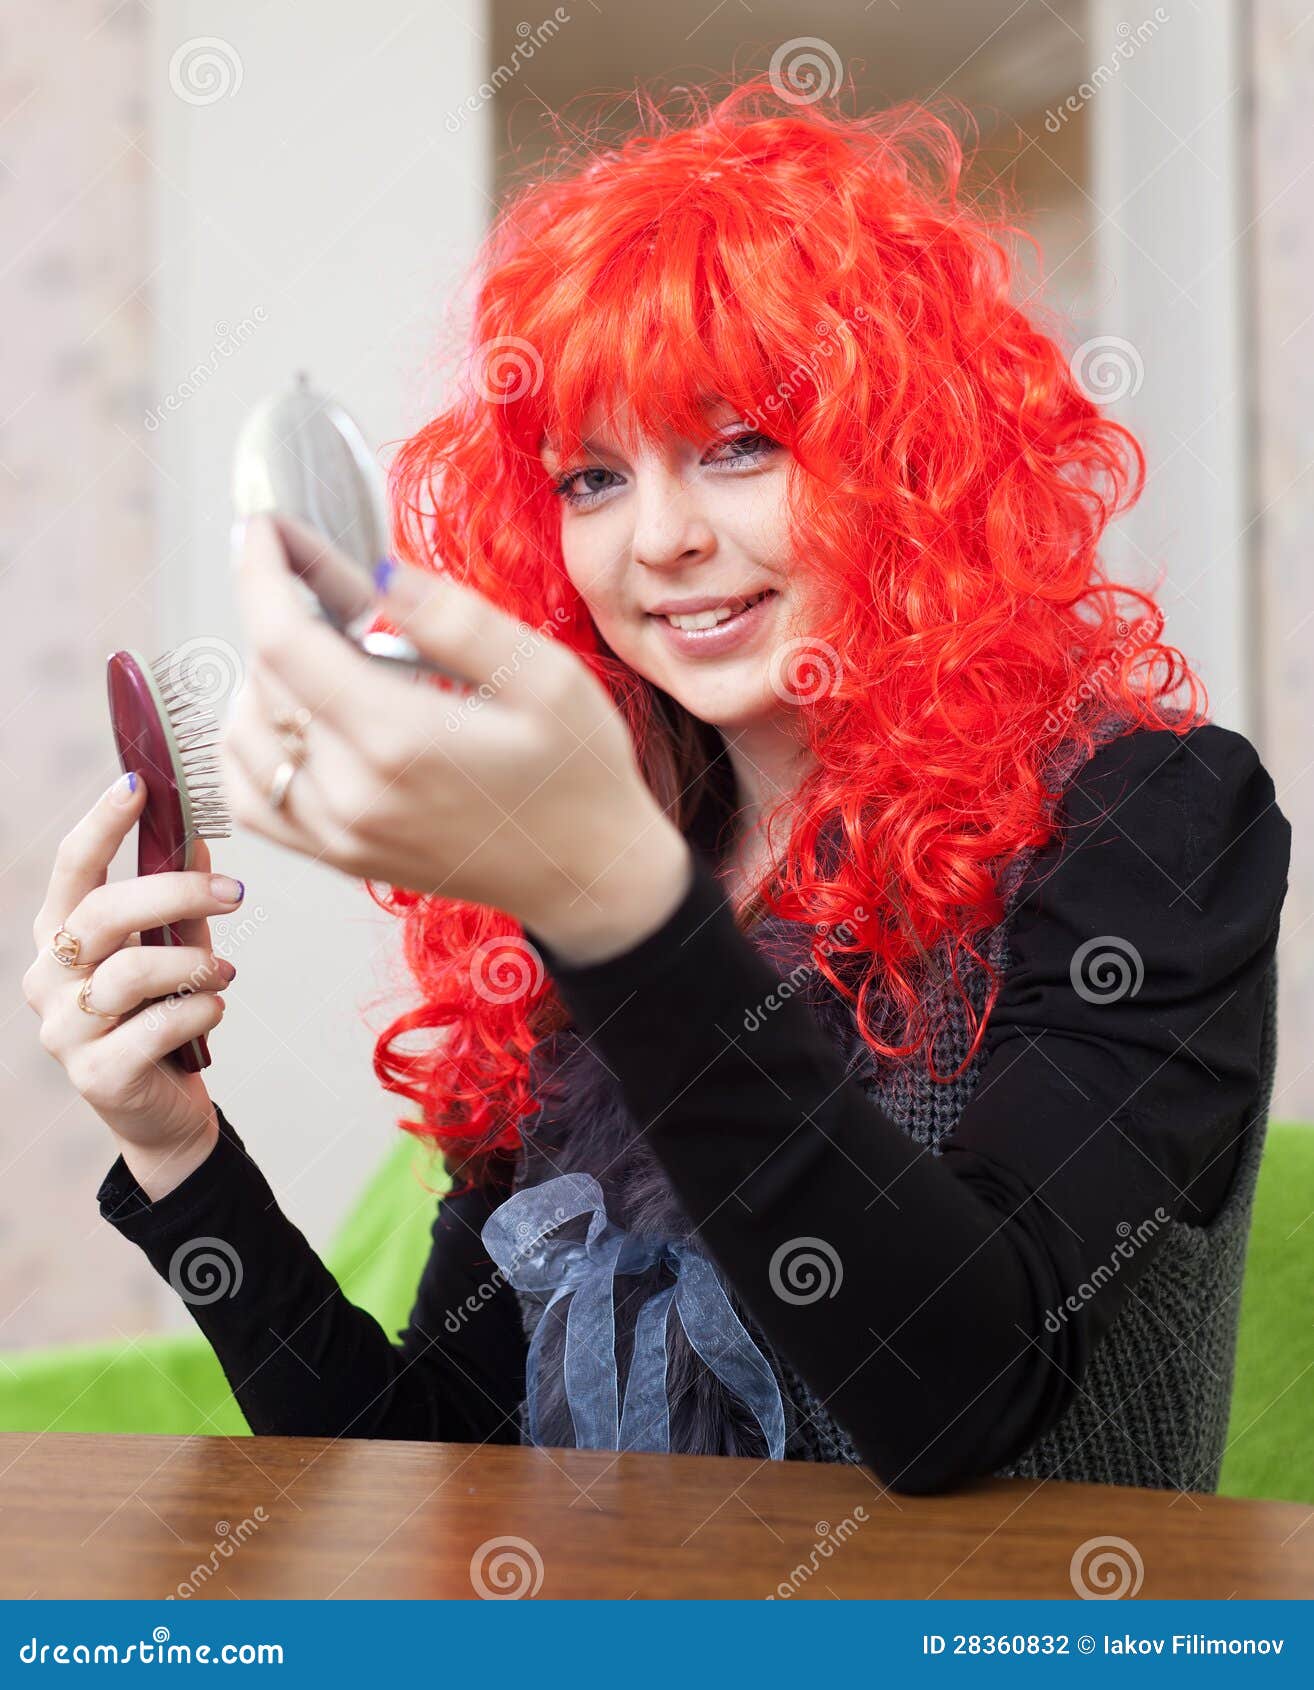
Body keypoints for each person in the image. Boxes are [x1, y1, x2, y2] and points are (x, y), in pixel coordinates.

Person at [25, 79, 1290, 1494]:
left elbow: (963, 1398)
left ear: (908, 458)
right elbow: (436, 1462)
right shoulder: (593, 861)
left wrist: (620, 906)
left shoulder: (1157, 822)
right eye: (591, 478)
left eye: (740, 444)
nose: (662, 539)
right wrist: (178, 1150)